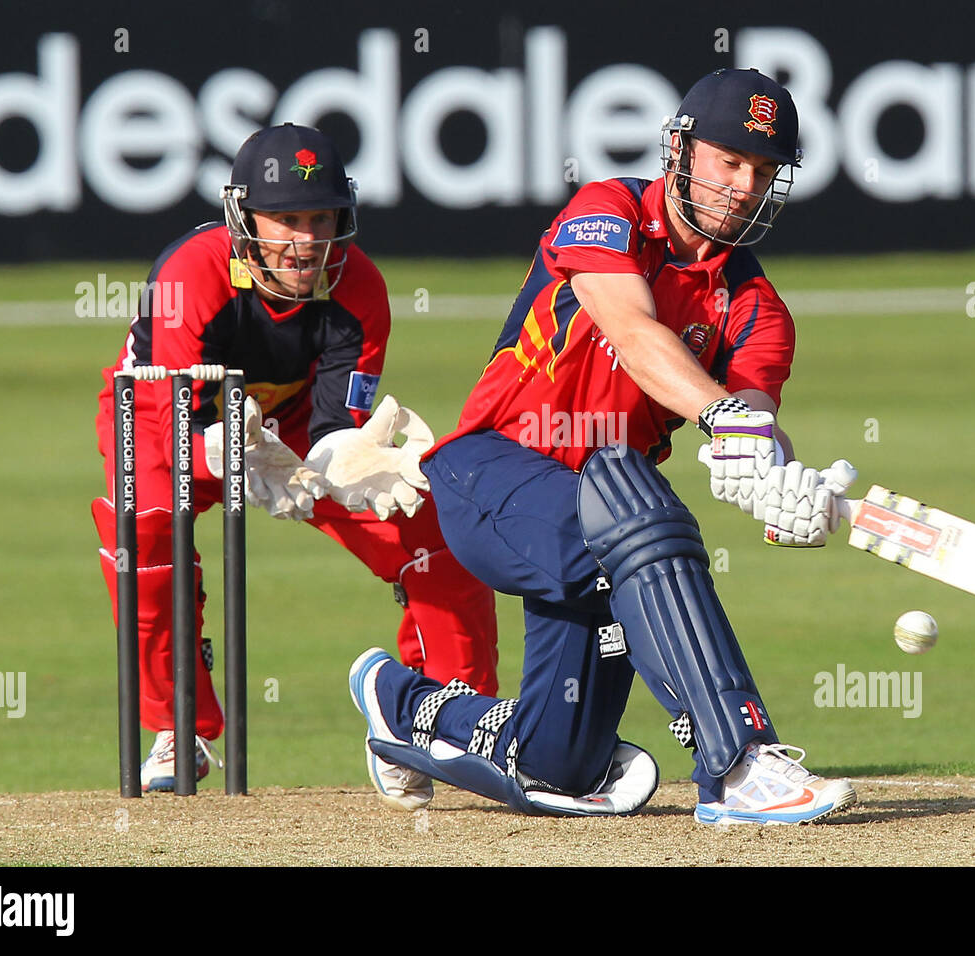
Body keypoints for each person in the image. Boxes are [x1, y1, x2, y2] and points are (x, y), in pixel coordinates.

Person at [347, 69, 860, 825]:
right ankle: (740, 764)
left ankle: (402, 704)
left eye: (761, 170)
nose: (744, 186)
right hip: (491, 473)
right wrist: (728, 422)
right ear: (681, 151)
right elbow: (634, 331)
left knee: (564, 765)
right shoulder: (608, 211)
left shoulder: (758, 310)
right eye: (728, 161)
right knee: (636, 496)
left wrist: (779, 477)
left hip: (603, 534)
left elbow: (751, 413)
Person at [92, 123, 498, 792]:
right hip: (164, 417)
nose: (305, 239)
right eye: (284, 220)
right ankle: (179, 731)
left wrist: (344, 459)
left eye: (320, 218)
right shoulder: (191, 274)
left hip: (295, 418)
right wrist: (228, 452)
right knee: (146, 530)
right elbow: (170, 411)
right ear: (243, 216)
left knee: (434, 530)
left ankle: (443, 723)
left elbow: (341, 425)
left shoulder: (359, 289)